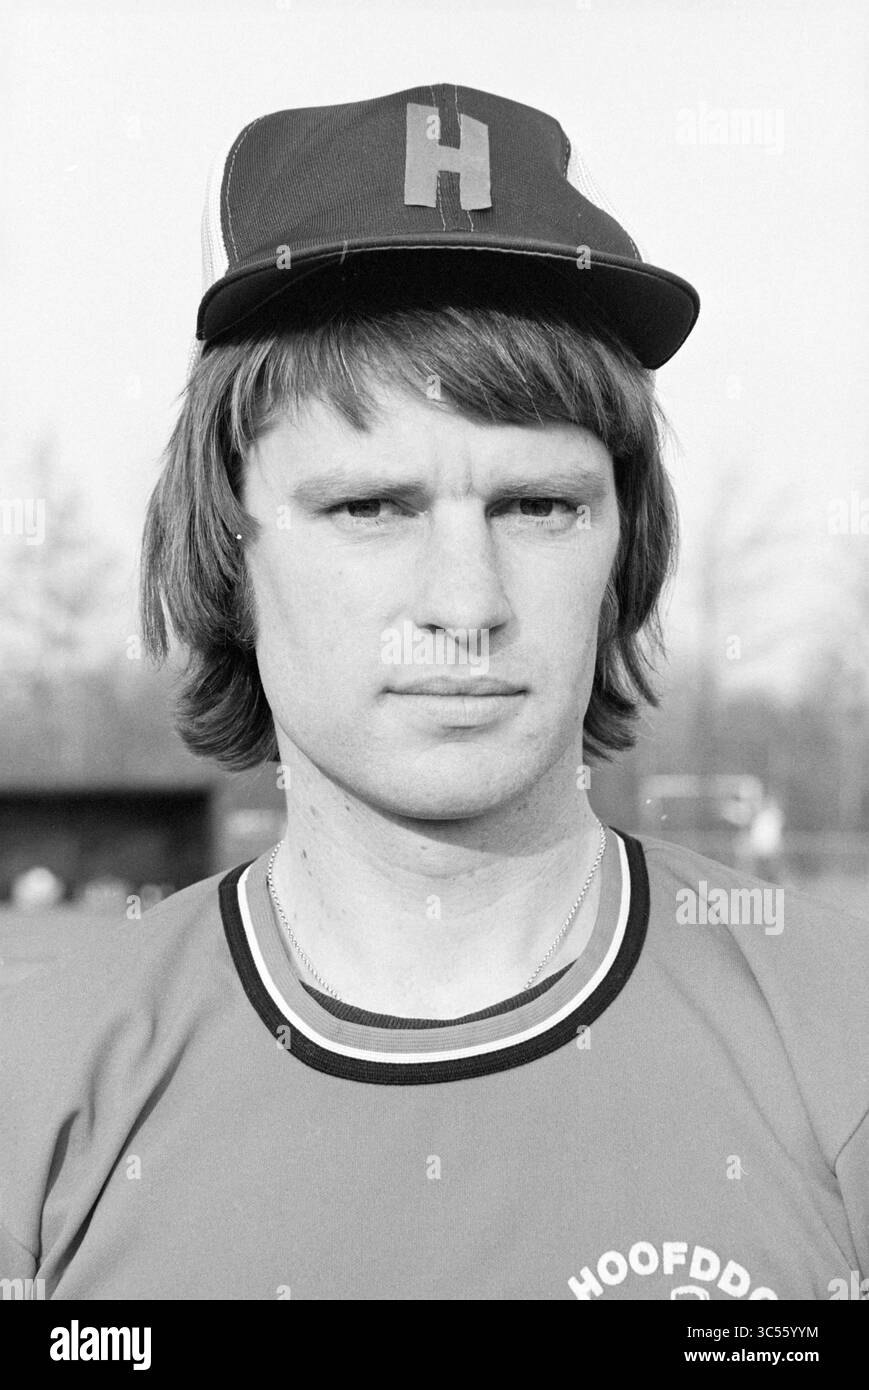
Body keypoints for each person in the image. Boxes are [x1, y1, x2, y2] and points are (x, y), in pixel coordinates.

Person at [1, 84, 867, 1302]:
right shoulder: (32, 1099)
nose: (467, 604)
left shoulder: (841, 1049)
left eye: (537, 506)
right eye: (369, 507)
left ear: (623, 554)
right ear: (226, 556)